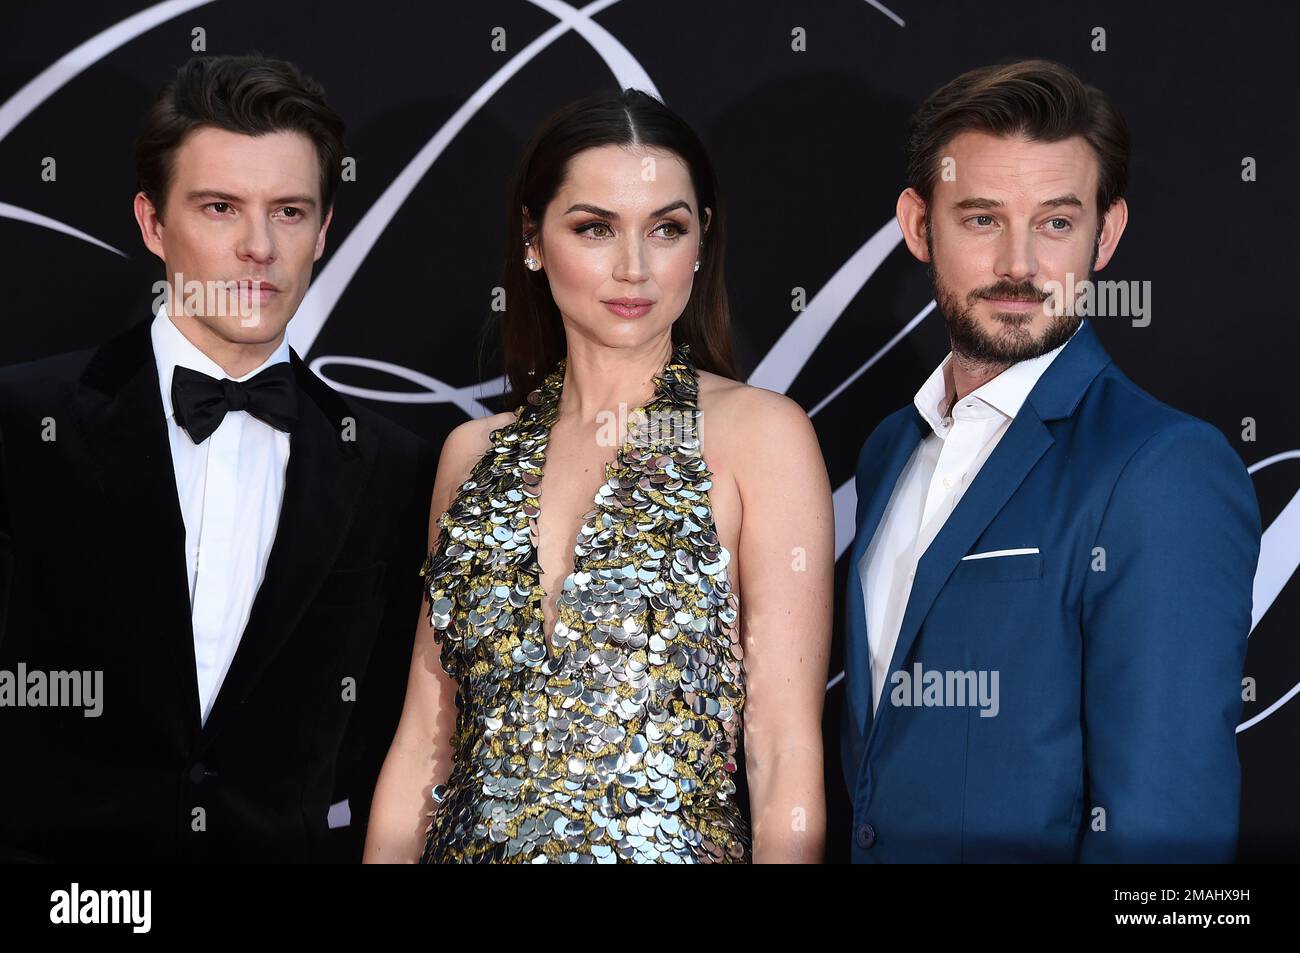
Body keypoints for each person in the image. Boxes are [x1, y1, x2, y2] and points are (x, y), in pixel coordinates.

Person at [365, 88, 834, 864]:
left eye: (667, 229)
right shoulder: (471, 455)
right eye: (594, 228)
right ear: (533, 239)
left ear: (701, 241)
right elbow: (425, 738)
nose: (634, 268)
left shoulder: (762, 435)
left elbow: (783, 749)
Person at [0, 54, 434, 862]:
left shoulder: (394, 470)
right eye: (220, 207)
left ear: (324, 230)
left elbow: (385, 741)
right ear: (152, 224)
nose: (258, 247)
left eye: (290, 211)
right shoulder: (22, 426)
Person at [840, 59, 1261, 863]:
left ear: (1106, 235)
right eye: (982, 219)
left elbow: (1166, 835)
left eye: (1057, 223)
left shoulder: (1163, 468)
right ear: (919, 224)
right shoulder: (890, 449)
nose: (1020, 265)